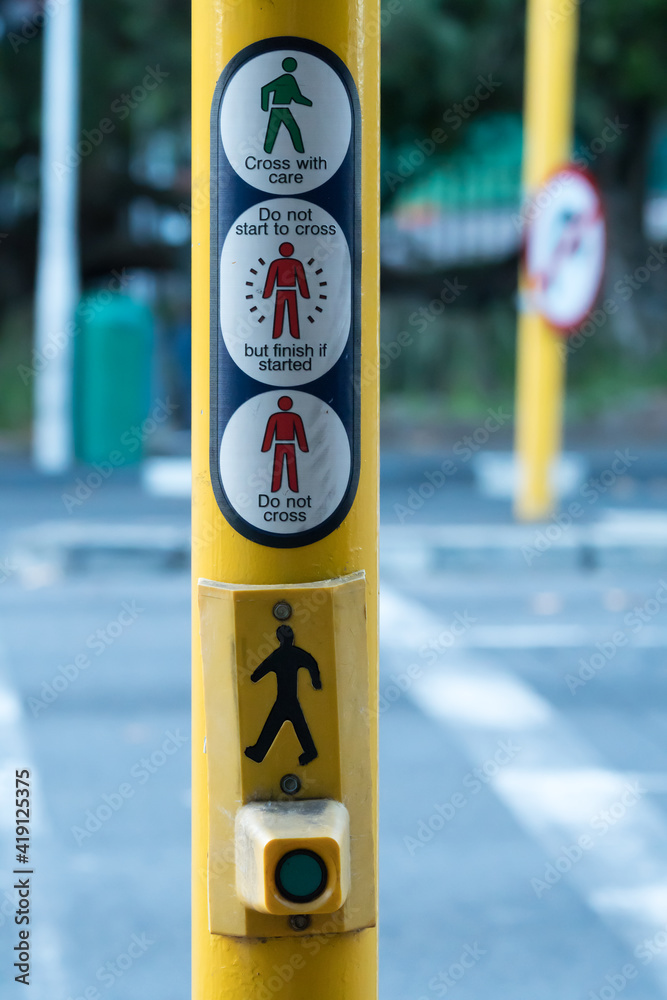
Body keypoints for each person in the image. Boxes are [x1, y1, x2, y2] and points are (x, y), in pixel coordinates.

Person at [244, 625, 321, 766]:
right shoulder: (297, 654)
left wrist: (255, 676)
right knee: (297, 725)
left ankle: (259, 752)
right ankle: (309, 751)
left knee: (276, 724)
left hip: (285, 699)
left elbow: (261, 670)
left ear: (279, 639)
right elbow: (311, 663)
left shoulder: (277, 655)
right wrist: (316, 681)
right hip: (289, 698)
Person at [261, 57, 312, 154]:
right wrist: (309, 103)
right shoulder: (288, 79)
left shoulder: (286, 79)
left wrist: (265, 107)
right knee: (293, 130)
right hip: (282, 110)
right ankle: (300, 152)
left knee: (273, 133)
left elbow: (265, 89)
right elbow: (297, 98)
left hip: (278, 110)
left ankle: (267, 153)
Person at [262, 242, 310, 340]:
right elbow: (302, 280)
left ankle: (277, 334)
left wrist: (267, 294)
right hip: (291, 292)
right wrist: (304, 293)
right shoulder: (296, 263)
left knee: (279, 314)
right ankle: (294, 334)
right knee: (293, 313)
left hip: (281, 292)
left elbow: (270, 279)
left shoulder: (276, 263)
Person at [261, 396, 309, 493]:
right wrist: (303, 446)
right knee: (288, 466)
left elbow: (269, 434)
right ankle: (292, 488)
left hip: (281, 445)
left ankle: (277, 488)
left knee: (279, 467)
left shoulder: (275, 416)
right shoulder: (295, 417)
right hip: (289, 445)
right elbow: (300, 433)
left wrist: (266, 447)